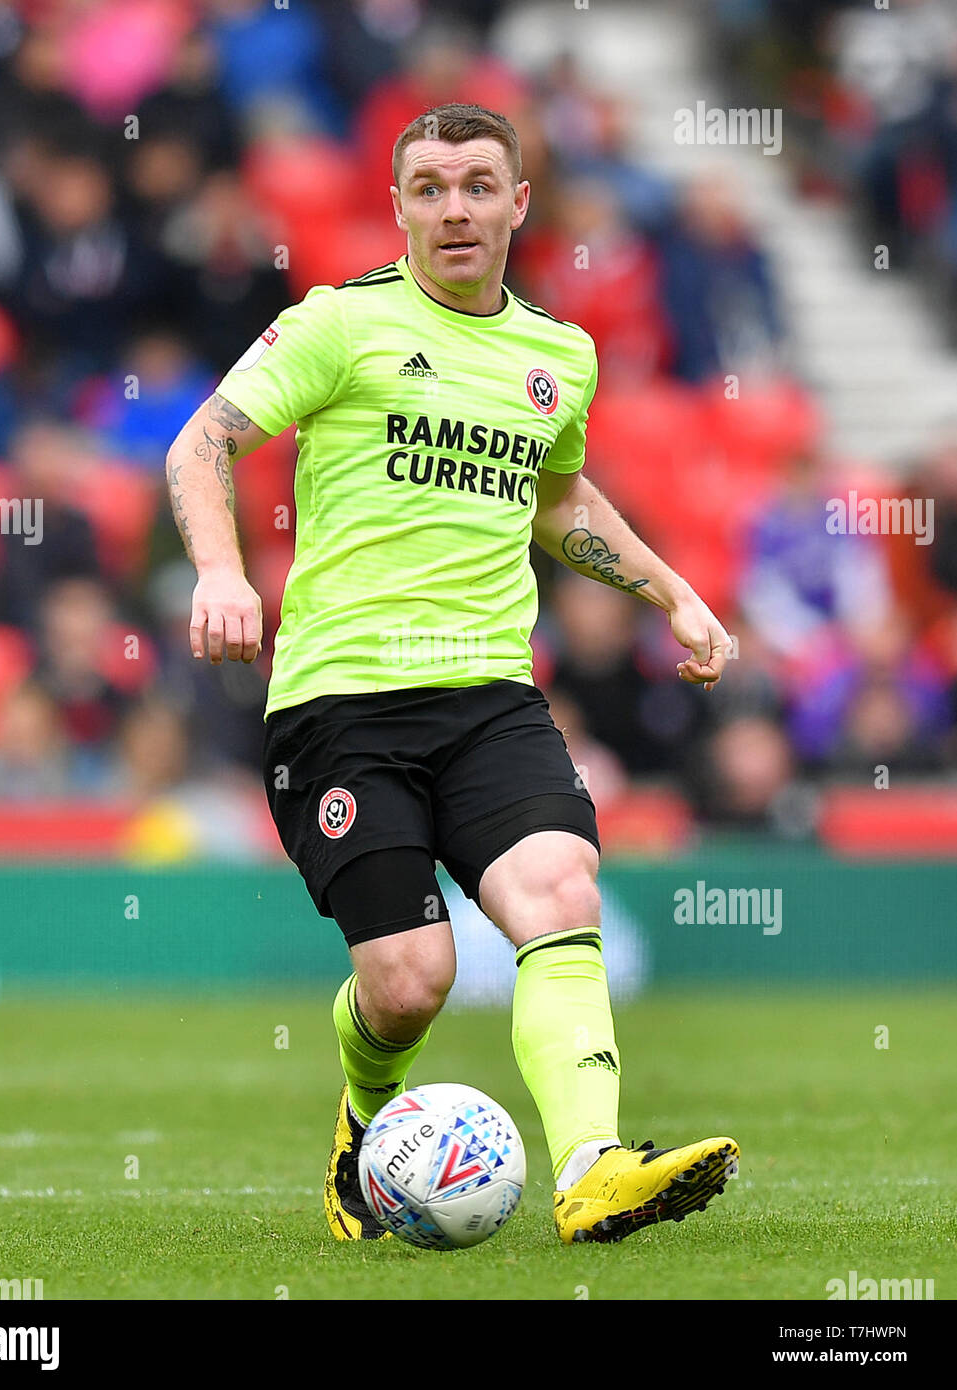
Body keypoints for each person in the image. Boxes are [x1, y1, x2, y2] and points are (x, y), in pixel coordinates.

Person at [164, 102, 738, 1246]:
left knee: (557, 891)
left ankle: (590, 1169)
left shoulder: (556, 355)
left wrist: (670, 590)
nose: (455, 208)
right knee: (410, 981)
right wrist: (222, 575)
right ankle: (360, 1126)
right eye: (428, 188)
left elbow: (558, 499)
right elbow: (202, 443)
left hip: (489, 697)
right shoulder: (337, 324)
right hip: (340, 703)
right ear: (398, 207)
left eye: (478, 184)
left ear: (519, 202)